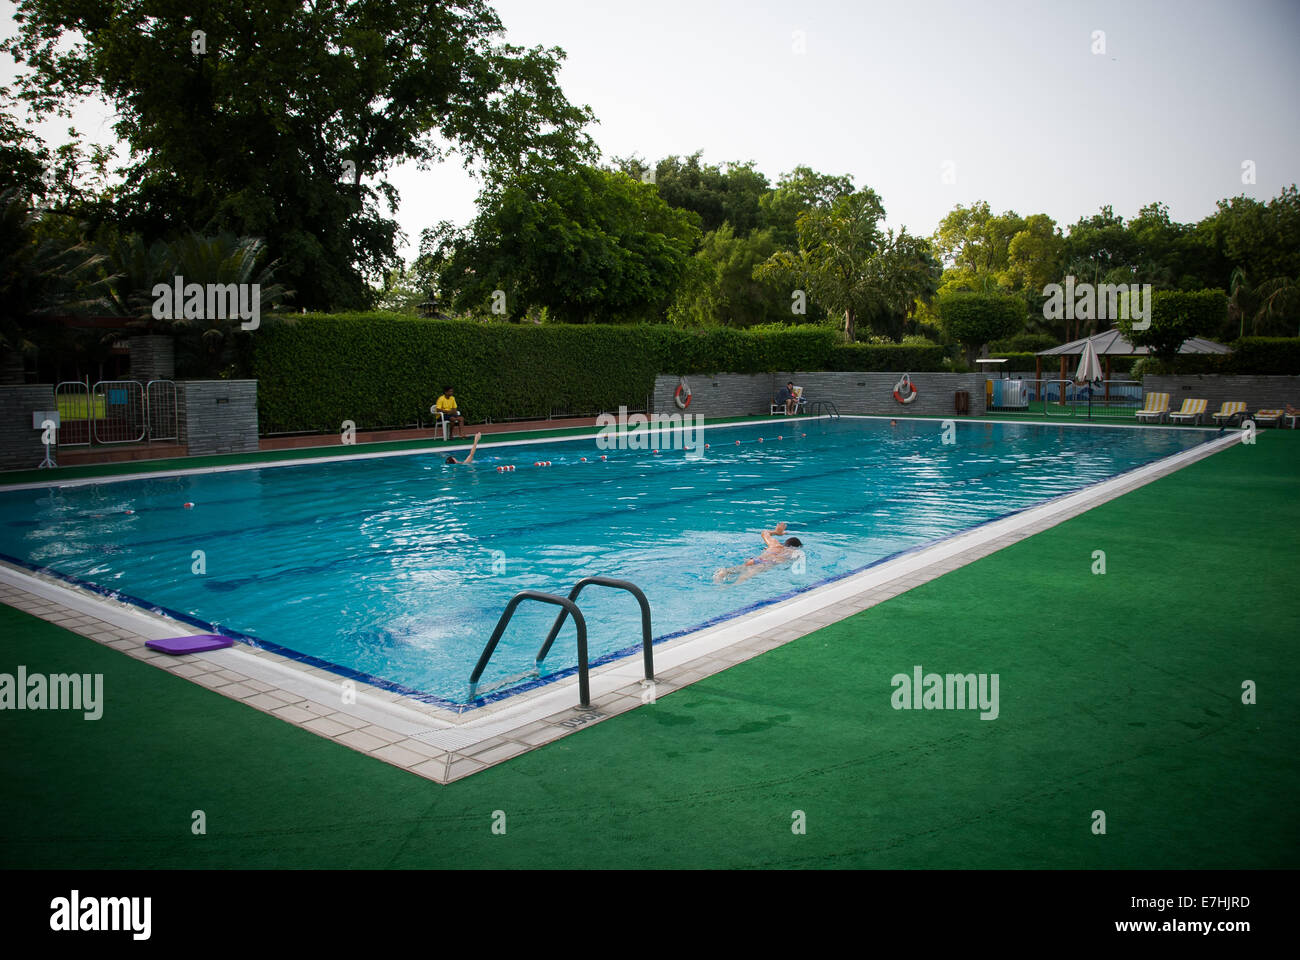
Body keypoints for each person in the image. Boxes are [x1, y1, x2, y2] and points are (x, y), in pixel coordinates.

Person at [713, 521, 803, 585]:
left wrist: (776, 532)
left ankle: (723, 573)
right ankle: (724, 589)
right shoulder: (792, 552)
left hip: (755, 560)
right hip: (764, 564)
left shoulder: (775, 544)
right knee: (740, 581)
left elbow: (764, 533)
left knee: (736, 570)